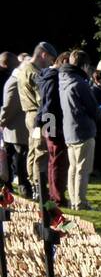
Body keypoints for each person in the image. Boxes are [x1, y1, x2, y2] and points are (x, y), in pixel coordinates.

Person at [59, 50, 99, 210]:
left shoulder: (63, 80)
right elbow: (92, 108)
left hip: (69, 129)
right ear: (84, 66)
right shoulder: (80, 83)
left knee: (73, 168)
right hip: (83, 129)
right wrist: (100, 112)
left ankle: (74, 199)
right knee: (83, 168)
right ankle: (81, 201)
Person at [19, 42, 56, 193]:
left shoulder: (24, 68)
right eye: (50, 59)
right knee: (43, 149)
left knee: (34, 149)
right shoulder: (34, 73)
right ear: (43, 55)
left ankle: (35, 183)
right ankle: (39, 185)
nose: (51, 63)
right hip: (41, 114)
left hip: (32, 114)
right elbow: (43, 98)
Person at [38, 52, 70, 205]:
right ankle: (57, 197)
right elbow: (48, 104)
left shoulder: (48, 76)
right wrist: (51, 128)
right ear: (63, 62)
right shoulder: (53, 78)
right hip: (53, 123)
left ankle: (54, 193)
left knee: (54, 160)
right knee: (57, 160)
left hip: (50, 122)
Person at [1, 54, 31, 196]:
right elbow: (9, 107)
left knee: (19, 160)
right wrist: (1, 121)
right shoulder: (15, 81)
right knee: (18, 161)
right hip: (14, 129)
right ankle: (19, 189)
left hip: (16, 128)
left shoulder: (17, 80)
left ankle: (15, 189)